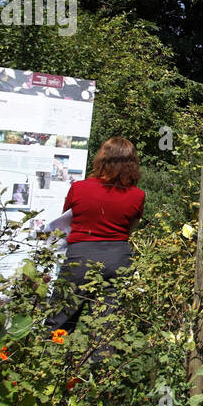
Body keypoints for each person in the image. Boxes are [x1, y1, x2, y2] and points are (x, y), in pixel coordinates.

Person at [46, 137, 145, 340]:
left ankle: (50, 361)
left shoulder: (79, 188)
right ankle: (98, 369)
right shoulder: (137, 195)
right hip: (118, 257)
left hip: (80, 257)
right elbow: (130, 229)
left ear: (102, 158)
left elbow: (67, 221)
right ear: (132, 163)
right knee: (105, 329)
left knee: (59, 321)